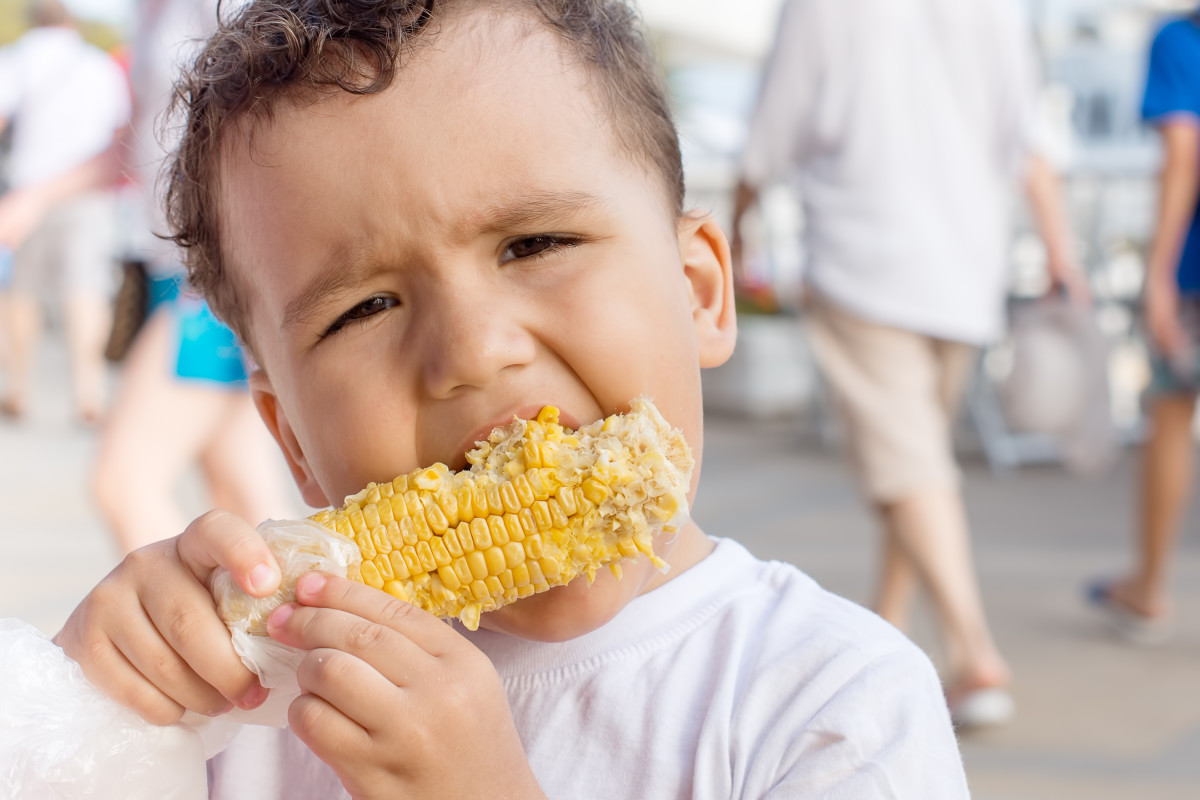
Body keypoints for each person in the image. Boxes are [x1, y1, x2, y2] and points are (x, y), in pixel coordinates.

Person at [52, 1, 971, 797]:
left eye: (535, 244)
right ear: (291, 439)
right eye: (366, 307)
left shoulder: (830, 702)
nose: (472, 351)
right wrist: (83, 706)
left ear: (698, 291)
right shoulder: (251, 707)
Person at [730, 0, 1091, 728]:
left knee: (911, 470)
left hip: (866, 261)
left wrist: (736, 225)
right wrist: (1060, 247)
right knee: (913, 463)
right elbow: (1027, 134)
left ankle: (973, 654)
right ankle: (888, 627)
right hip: (966, 263)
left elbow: (771, 126)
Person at [90, 0, 292, 554]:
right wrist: (27, 203)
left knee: (123, 481)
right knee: (243, 491)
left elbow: (275, 116)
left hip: (207, 280)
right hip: (171, 270)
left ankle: (206, 635)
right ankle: (303, 626)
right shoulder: (148, 14)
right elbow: (129, 148)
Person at [1088, 9, 1200, 644]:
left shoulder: (1180, 40)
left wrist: (1157, 273)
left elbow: (1182, 153)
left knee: (1171, 417)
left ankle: (1150, 588)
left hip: (1194, 272)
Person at [0, 0, 131, 423]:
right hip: (88, 190)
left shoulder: (17, 58)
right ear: (72, 22)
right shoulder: (99, 65)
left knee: (23, 290)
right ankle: (88, 391)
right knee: (86, 288)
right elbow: (119, 128)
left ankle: (19, 387)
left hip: (27, 190)